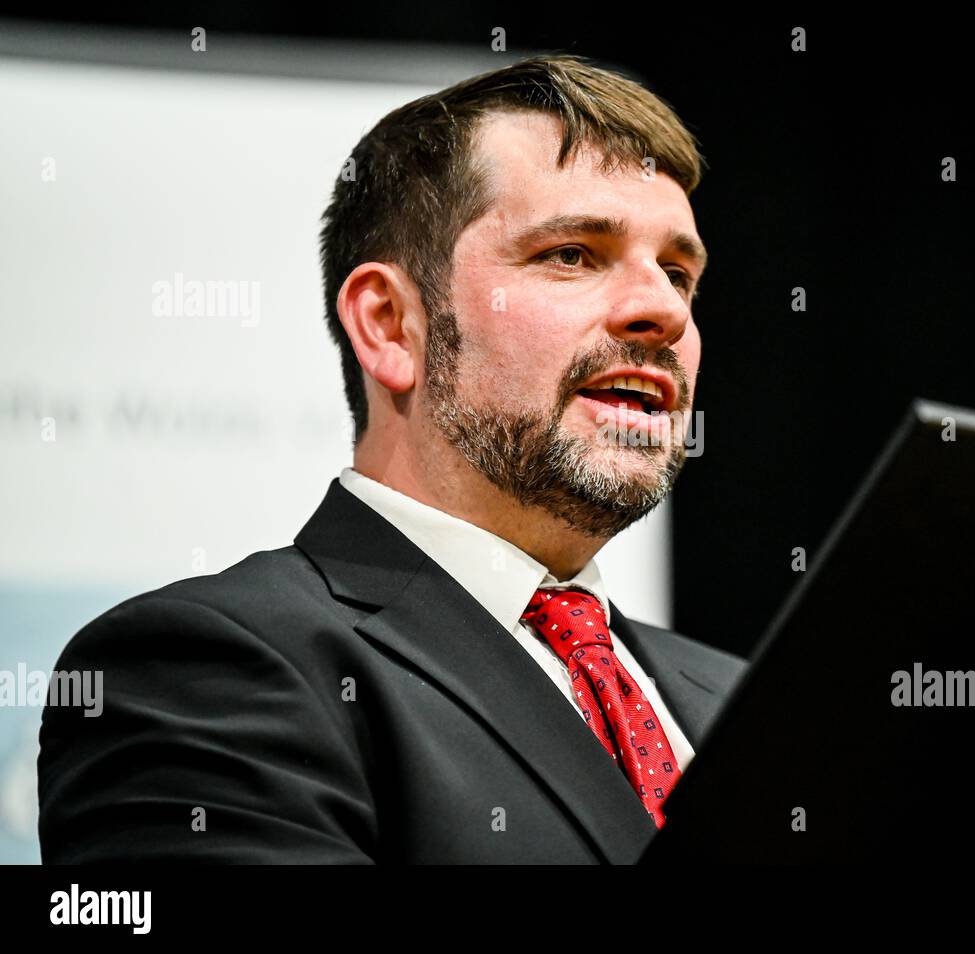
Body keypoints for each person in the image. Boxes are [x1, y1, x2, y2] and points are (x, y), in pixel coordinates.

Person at [37, 54, 745, 864]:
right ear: (389, 325)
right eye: (572, 254)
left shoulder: (751, 700)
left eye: (678, 272)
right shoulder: (204, 671)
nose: (660, 308)